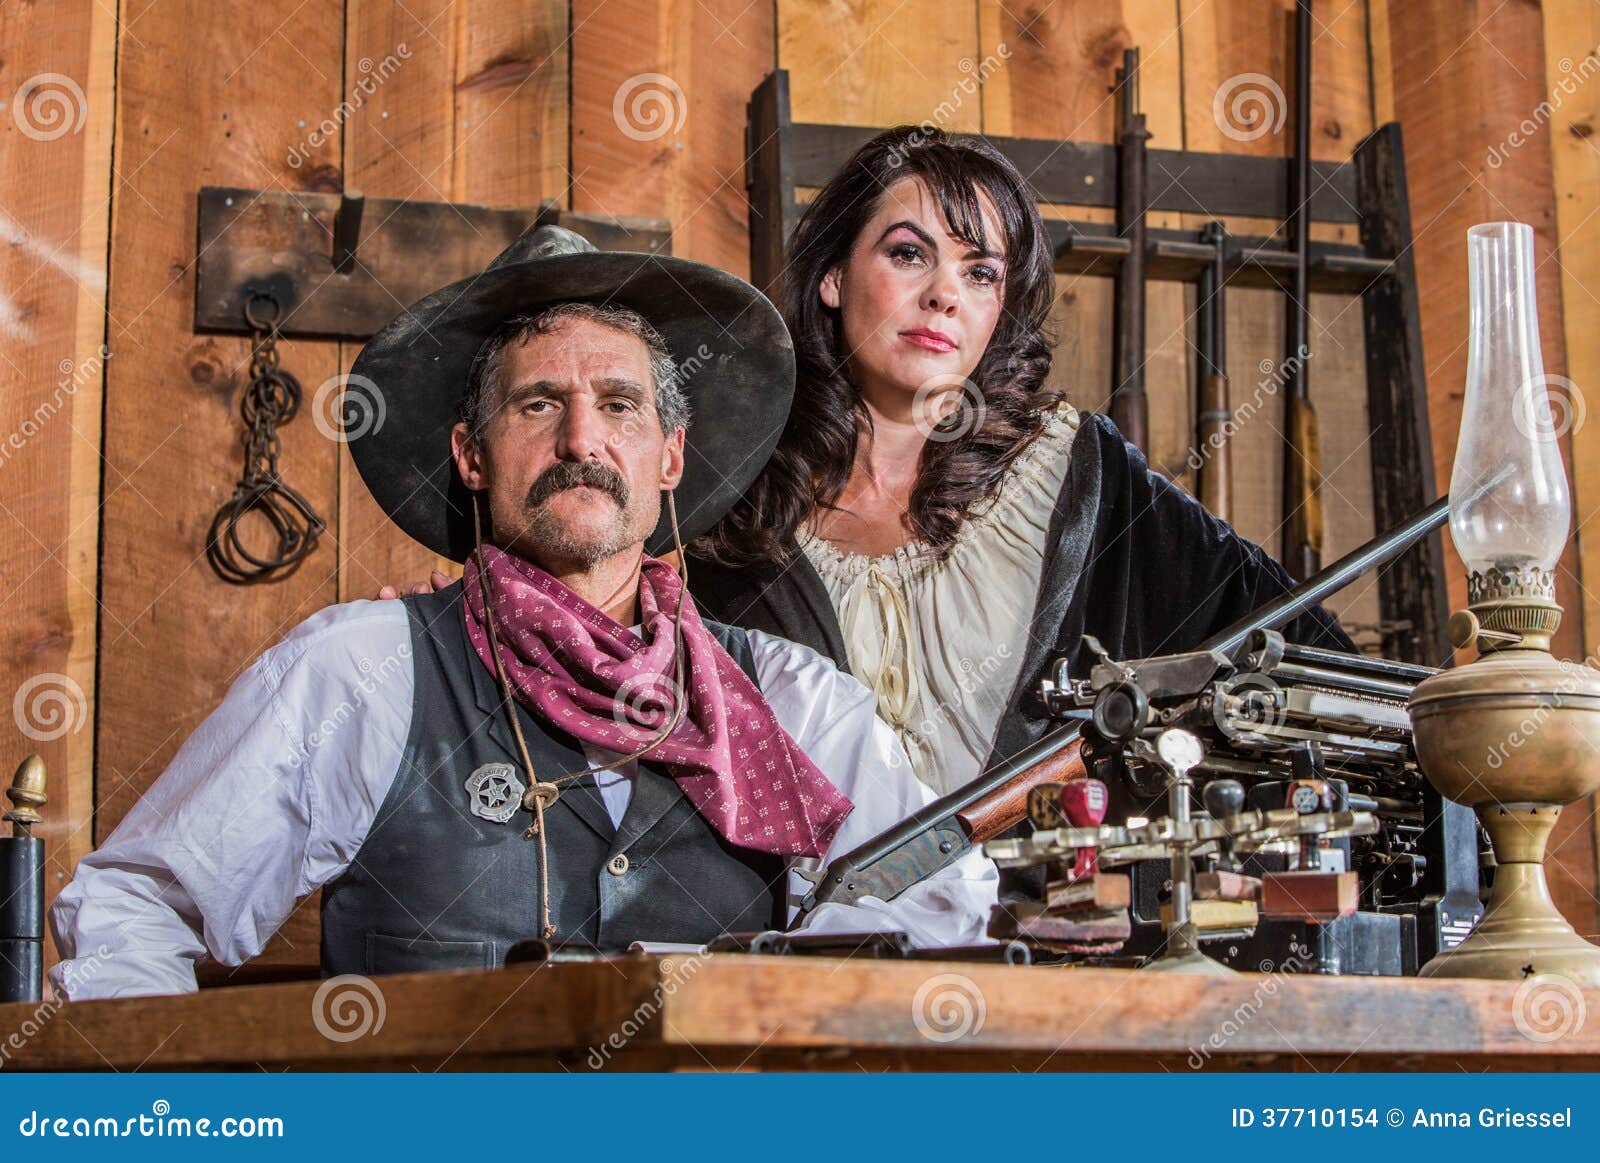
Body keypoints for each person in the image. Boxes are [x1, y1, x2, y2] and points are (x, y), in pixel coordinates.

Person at [47, 226, 997, 1001]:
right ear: (472, 455)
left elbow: (927, 901)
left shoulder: (790, 701)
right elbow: (139, 903)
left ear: (668, 457)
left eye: (619, 404)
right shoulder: (363, 669)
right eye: (539, 403)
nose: (581, 438)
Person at [684, 125, 1355, 800]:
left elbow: (1293, 641)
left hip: (1048, 903)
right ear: (834, 276)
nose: (944, 294)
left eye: (980, 273)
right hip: (803, 907)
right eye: (910, 254)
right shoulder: (737, 507)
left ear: (997, 309)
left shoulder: (1074, 480)